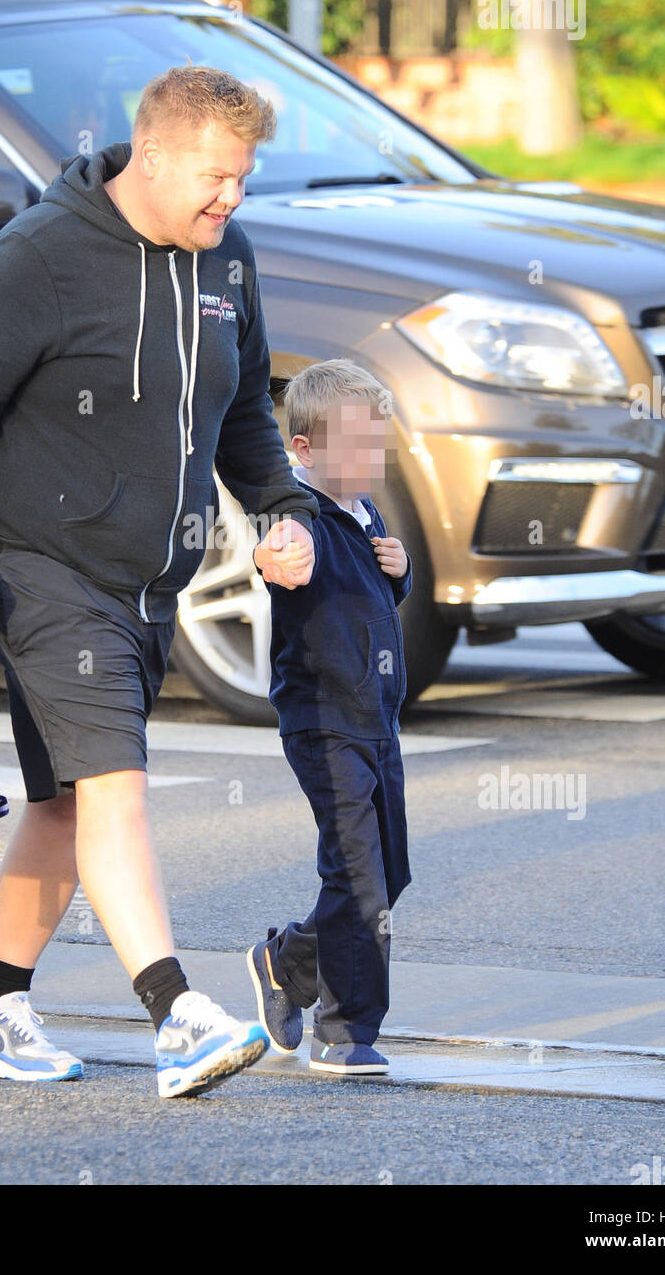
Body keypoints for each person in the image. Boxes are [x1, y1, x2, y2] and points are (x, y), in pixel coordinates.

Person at [0, 65, 319, 1098]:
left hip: (149, 582)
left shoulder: (227, 260)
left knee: (60, 802)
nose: (231, 199)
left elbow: (246, 414)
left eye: (244, 181)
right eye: (217, 178)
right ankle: (177, 1013)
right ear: (156, 154)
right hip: (40, 568)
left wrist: (286, 510)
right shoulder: (39, 256)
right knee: (116, 785)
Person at [246, 359, 413, 1075]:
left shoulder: (365, 512)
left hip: (377, 719)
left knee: (389, 875)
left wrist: (398, 574)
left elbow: (367, 608)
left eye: (375, 444)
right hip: (323, 720)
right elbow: (271, 553)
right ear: (305, 451)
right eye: (352, 445)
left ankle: (288, 960)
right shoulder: (300, 516)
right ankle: (346, 1032)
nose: (367, 459)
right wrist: (269, 550)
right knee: (356, 873)